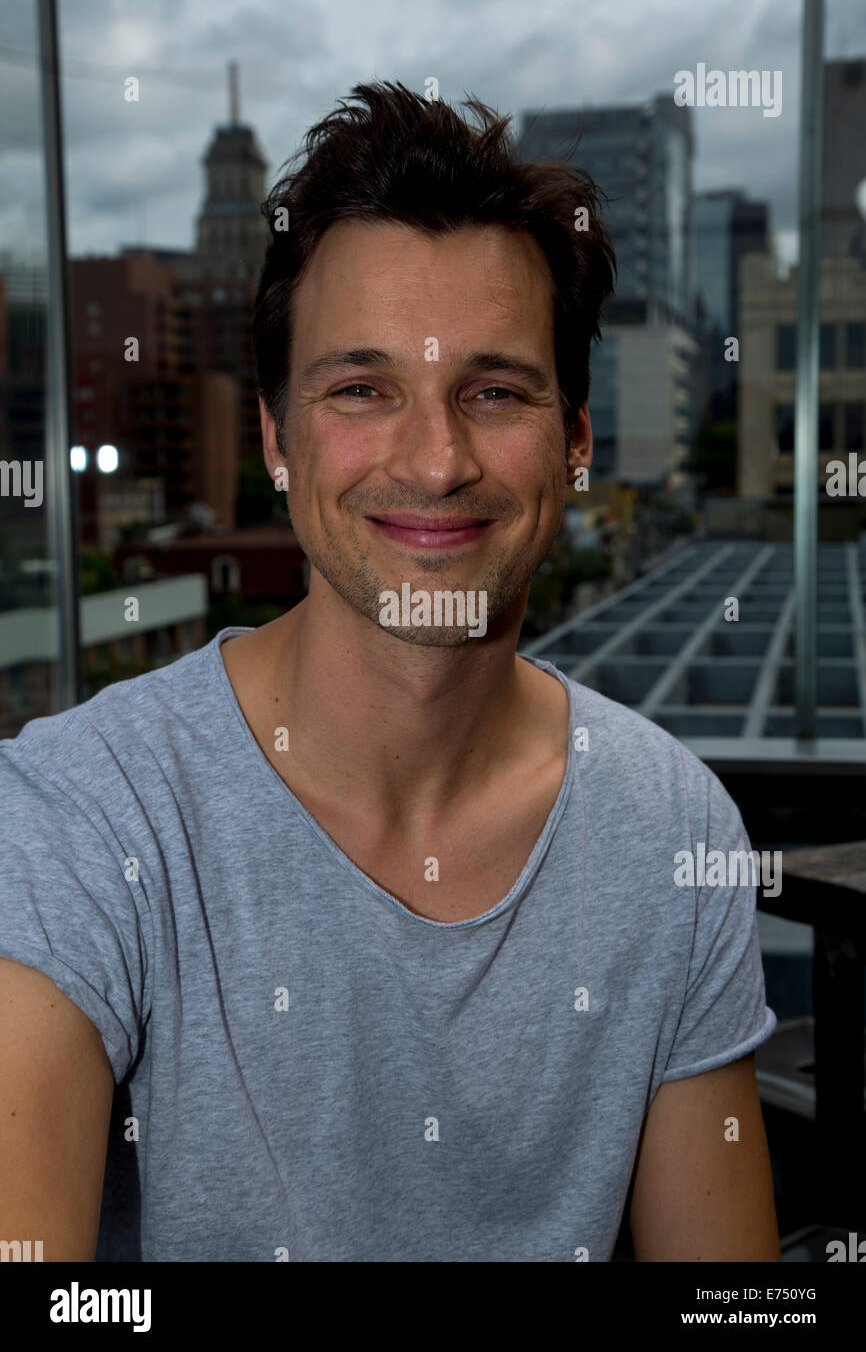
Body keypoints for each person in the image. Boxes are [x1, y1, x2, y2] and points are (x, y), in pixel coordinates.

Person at [0, 81, 779, 1262]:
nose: (435, 459)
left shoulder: (673, 825)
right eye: (361, 388)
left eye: (495, 390)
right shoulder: (83, 812)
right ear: (274, 436)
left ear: (574, 442)